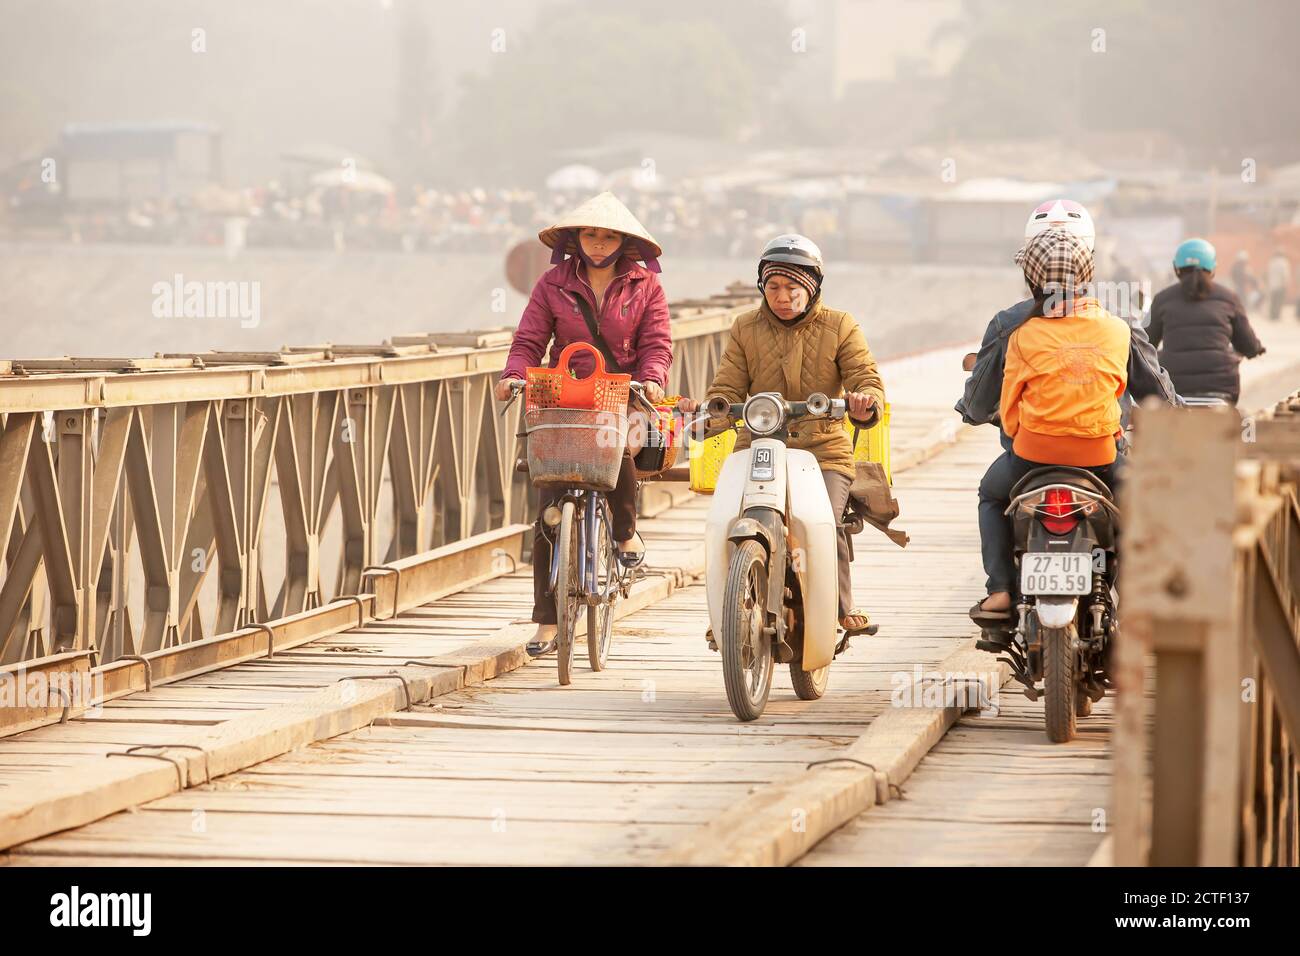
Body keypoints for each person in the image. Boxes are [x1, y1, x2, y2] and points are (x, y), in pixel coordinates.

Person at [677, 235, 885, 636]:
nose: (783, 296)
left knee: (826, 518)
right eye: (773, 286)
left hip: (823, 447)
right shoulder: (745, 327)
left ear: (812, 288)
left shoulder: (841, 326)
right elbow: (727, 389)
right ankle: (728, 610)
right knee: (726, 520)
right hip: (756, 444)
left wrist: (864, 401)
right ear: (762, 287)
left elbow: (865, 377)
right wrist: (710, 413)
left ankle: (843, 604)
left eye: (793, 287)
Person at [494, 192, 672, 657]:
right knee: (550, 507)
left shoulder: (645, 286)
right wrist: (514, 375)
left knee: (619, 450)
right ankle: (546, 622)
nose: (597, 244)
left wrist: (651, 380)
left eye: (608, 235)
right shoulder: (553, 283)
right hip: (565, 396)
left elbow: (657, 343)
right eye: (590, 234)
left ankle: (624, 530)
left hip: (622, 393)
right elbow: (529, 339)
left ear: (623, 241)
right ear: (576, 238)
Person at [970, 228, 1130, 624]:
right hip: (1099, 455)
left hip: (1032, 455)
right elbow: (1119, 391)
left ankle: (1002, 590)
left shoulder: (1023, 333)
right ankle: (1137, 592)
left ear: (1032, 280)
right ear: (1088, 277)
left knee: (991, 496)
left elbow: (1008, 407)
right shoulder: (1116, 330)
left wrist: (1017, 437)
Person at [957, 199, 1178, 452]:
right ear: (1088, 264)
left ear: (1030, 270)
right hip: (1103, 453)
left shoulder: (1011, 327)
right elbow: (1157, 394)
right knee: (1135, 489)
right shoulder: (1119, 324)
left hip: (1028, 453)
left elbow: (978, 406)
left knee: (990, 491)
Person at [1146, 238, 1265, 406]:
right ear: (1213, 269)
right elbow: (1249, 345)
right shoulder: (1229, 298)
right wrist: (1256, 349)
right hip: (1223, 390)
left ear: (1176, 269)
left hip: (1174, 390)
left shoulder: (1162, 299)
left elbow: (1145, 344)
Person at [1266, 248, 1292, 321]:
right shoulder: (1283, 262)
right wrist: (1286, 283)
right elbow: (1285, 274)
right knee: (1279, 301)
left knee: (1273, 301)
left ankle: (1272, 315)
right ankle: (1277, 315)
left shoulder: (1272, 262)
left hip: (1272, 285)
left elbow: (1268, 274)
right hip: (1280, 285)